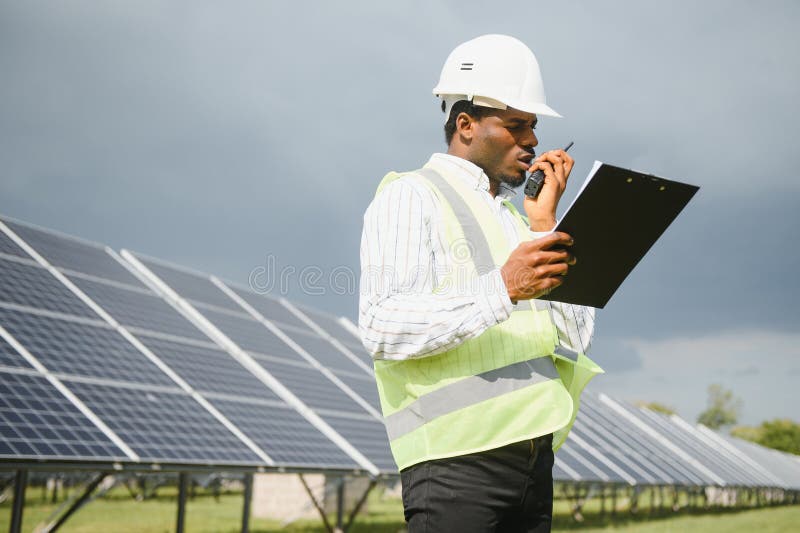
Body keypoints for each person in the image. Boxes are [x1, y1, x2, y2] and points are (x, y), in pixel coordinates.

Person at [359, 34, 602, 532]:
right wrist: (503, 288)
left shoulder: (519, 220)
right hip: (454, 465)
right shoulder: (411, 196)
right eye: (516, 126)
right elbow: (383, 326)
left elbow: (575, 341)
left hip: (534, 462)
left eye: (533, 127)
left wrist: (545, 225)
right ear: (466, 125)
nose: (531, 141)